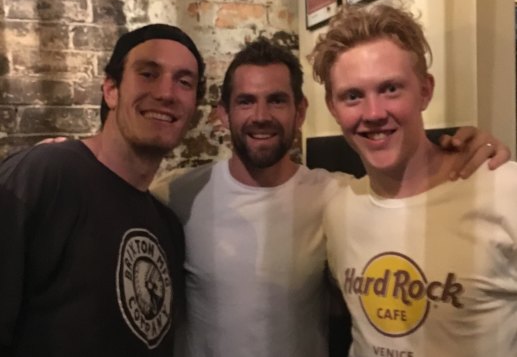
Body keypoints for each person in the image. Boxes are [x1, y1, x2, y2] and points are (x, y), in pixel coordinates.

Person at [151, 38, 510, 357]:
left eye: (277, 100)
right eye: (246, 102)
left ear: (301, 111)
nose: (261, 116)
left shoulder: (337, 194)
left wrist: (472, 148)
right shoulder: (176, 196)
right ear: (223, 114)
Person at [313, 2, 517, 356]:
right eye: (352, 96)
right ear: (332, 106)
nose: (373, 113)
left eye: (391, 88)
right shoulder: (338, 209)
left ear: (425, 90)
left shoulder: (505, 190)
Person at [0, 24, 206, 356]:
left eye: (184, 82)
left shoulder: (167, 225)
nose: (167, 93)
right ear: (111, 89)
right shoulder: (46, 175)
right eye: (148, 73)